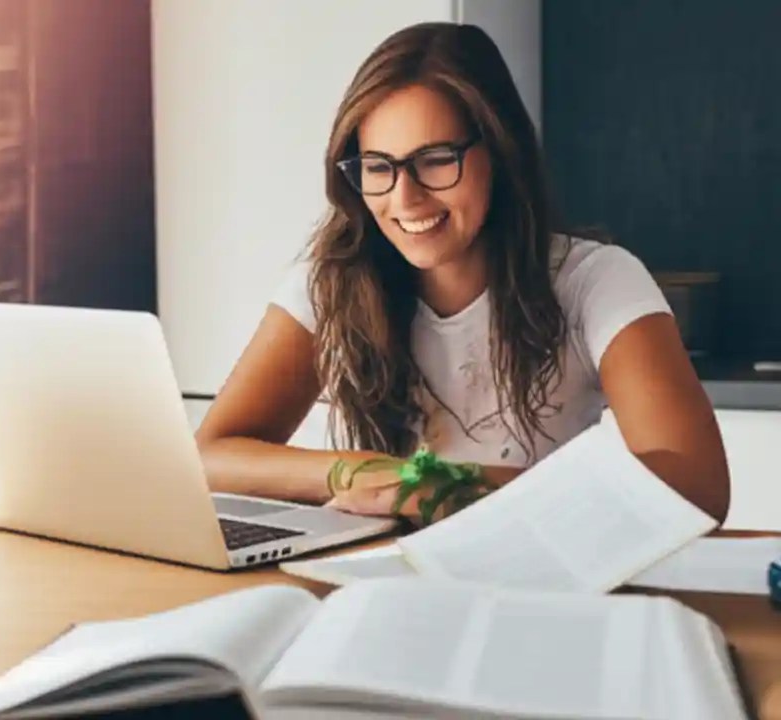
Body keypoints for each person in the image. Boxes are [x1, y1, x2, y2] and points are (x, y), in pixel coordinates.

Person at [194, 22, 730, 524]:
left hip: (542, 576)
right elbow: (210, 457)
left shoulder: (598, 280)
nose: (405, 198)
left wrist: (447, 487)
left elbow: (696, 486)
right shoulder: (332, 280)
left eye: (435, 159)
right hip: (386, 580)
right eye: (379, 167)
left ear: (498, 152)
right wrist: (366, 472)